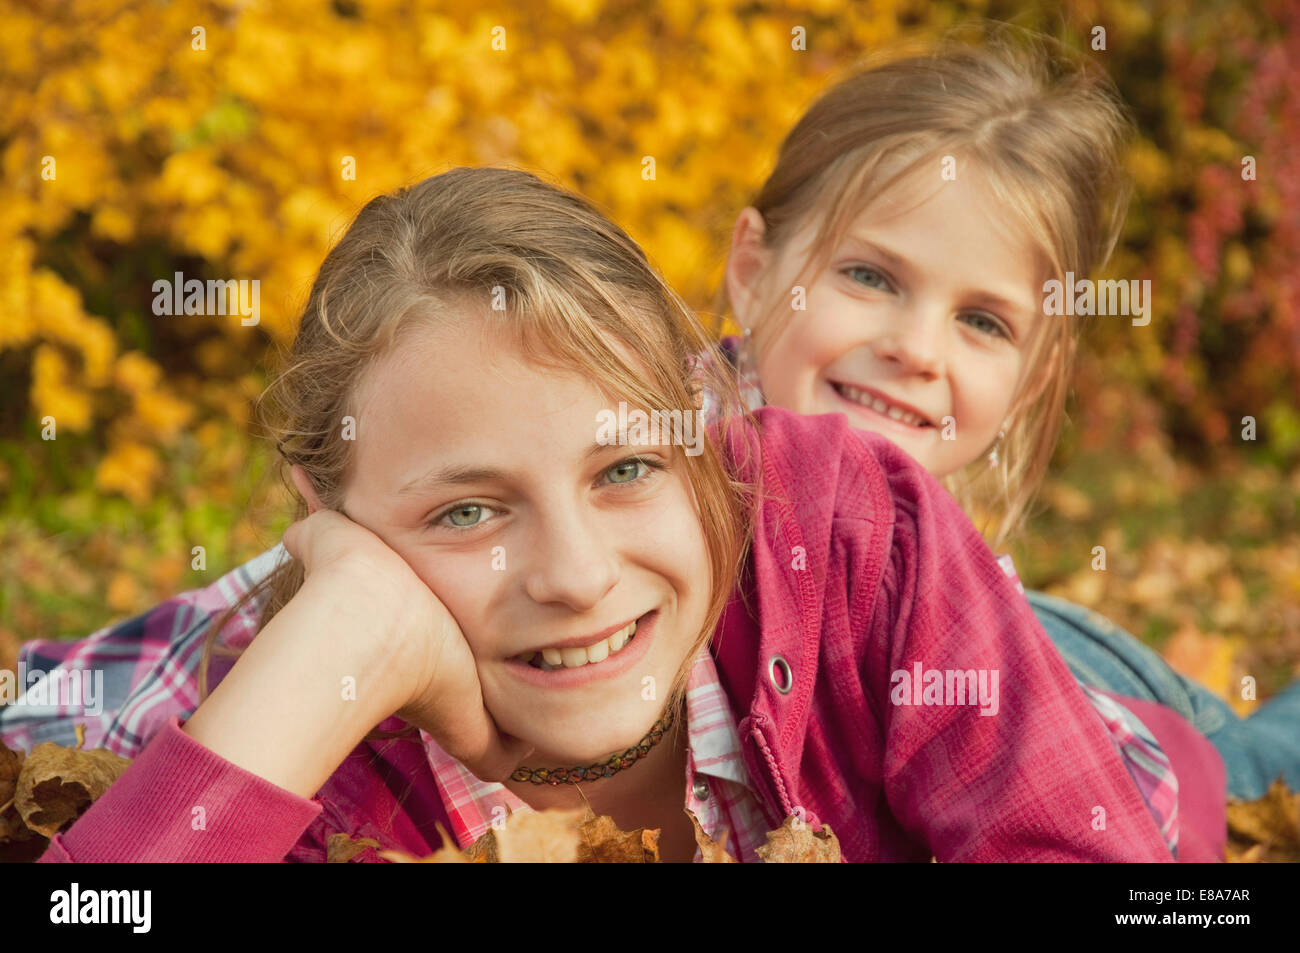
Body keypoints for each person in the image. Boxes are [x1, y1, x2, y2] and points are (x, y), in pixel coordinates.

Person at [1, 166, 1179, 862]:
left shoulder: (856, 519)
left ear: (710, 443)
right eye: (466, 509)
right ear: (327, 517)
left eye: (626, 469)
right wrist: (327, 650)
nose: (572, 574)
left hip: (1124, 712)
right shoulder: (305, 750)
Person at [715, 31, 1299, 815]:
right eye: (868, 275)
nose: (916, 349)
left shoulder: (955, 616)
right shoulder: (656, 483)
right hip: (1073, 673)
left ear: (1035, 378)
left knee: (1252, 772)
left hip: (1095, 694)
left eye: (984, 322)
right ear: (753, 272)